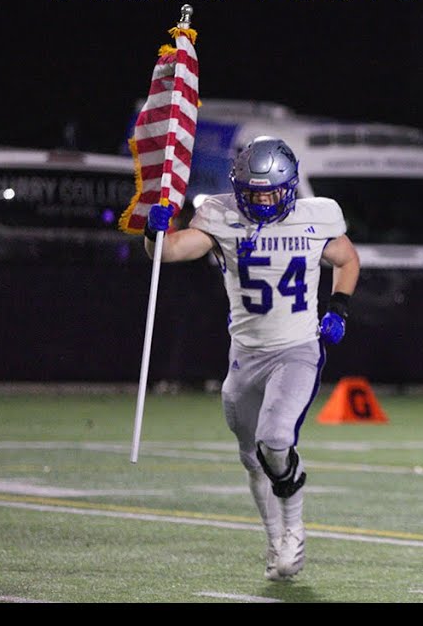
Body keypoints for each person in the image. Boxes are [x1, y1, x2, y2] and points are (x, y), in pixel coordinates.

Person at [143, 136, 360, 581]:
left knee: (276, 439)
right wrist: (154, 231)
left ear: (290, 185)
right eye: (253, 192)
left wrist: (338, 306)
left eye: (270, 191)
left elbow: (347, 258)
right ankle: (274, 539)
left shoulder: (316, 217)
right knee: (250, 455)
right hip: (244, 355)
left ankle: (295, 530)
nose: (262, 200)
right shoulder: (220, 216)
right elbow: (168, 252)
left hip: (297, 348)